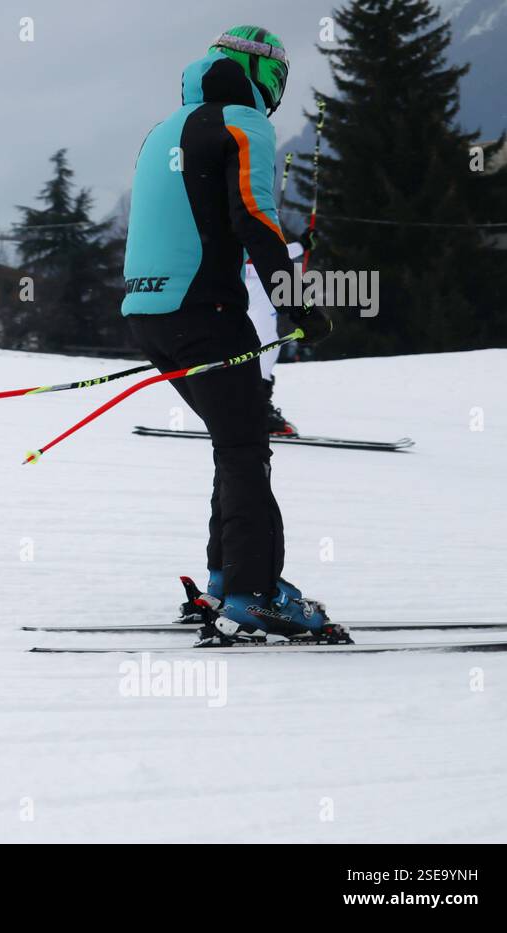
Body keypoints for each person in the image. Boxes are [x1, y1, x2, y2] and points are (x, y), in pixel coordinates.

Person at [120, 26, 344, 643]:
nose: (277, 93)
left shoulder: (162, 129)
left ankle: (226, 581)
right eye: (278, 78)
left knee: (233, 440)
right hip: (206, 313)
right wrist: (296, 304)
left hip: (149, 315)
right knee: (245, 447)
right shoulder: (242, 119)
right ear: (258, 70)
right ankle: (253, 595)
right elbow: (253, 213)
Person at [245, 240, 304, 435]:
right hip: (254, 282)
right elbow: (267, 248)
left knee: (255, 344)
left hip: (237, 281)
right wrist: (303, 244)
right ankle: (259, 413)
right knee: (268, 345)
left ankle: (239, 410)